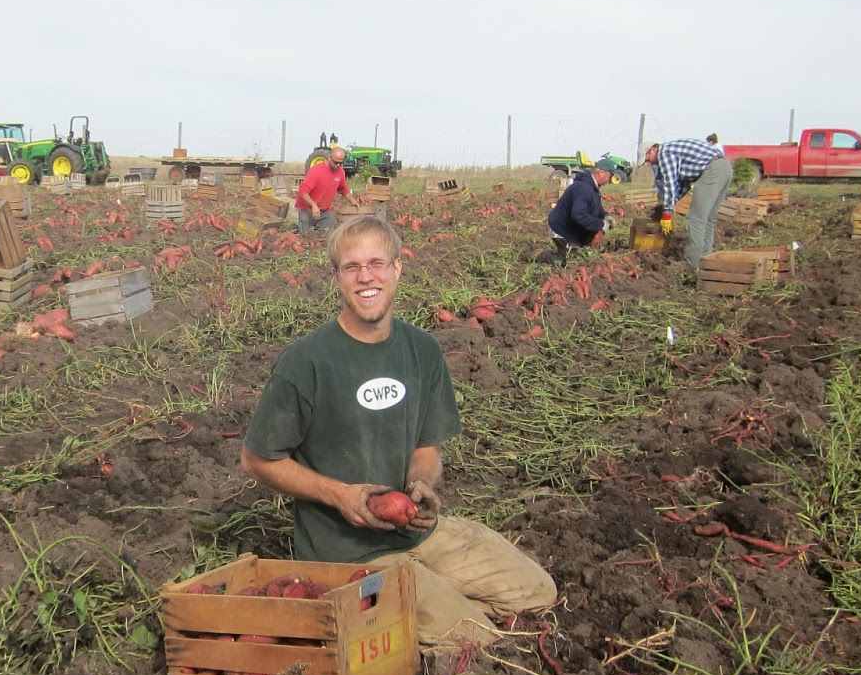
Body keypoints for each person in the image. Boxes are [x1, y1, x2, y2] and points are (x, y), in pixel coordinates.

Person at [240, 216, 557, 647]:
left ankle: (428, 606)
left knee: (539, 593)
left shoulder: (421, 349)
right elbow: (257, 459)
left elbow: (427, 446)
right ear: (336, 277)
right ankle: (402, 611)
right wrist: (340, 496)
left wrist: (421, 483)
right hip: (346, 554)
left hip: (417, 531)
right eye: (351, 267)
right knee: (474, 638)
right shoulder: (306, 362)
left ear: (397, 269)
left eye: (376, 263)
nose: (366, 276)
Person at [643, 138, 736, 267]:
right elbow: (684, 183)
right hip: (725, 168)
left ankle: (691, 263)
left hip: (712, 170)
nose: (648, 162)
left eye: (647, 157)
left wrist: (667, 214)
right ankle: (705, 259)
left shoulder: (664, 153)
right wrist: (672, 202)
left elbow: (670, 184)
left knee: (696, 218)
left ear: (653, 149)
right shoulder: (675, 151)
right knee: (708, 218)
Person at [543, 160, 615, 264]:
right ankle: (539, 255)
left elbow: (596, 208)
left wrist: (605, 216)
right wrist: (601, 224)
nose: (609, 181)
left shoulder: (592, 188)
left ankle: (577, 246)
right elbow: (578, 215)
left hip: (572, 228)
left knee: (581, 257)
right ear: (602, 173)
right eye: (610, 176)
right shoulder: (584, 188)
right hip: (561, 229)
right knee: (565, 262)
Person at [294, 145, 360, 236]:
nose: (338, 165)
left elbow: (344, 189)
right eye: (335, 162)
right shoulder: (316, 171)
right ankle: (300, 229)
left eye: (340, 163)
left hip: (324, 211)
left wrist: (353, 201)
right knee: (305, 236)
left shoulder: (340, 172)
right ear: (329, 158)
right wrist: (313, 205)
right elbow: (302, 191)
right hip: (306, 209)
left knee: (328, 234)